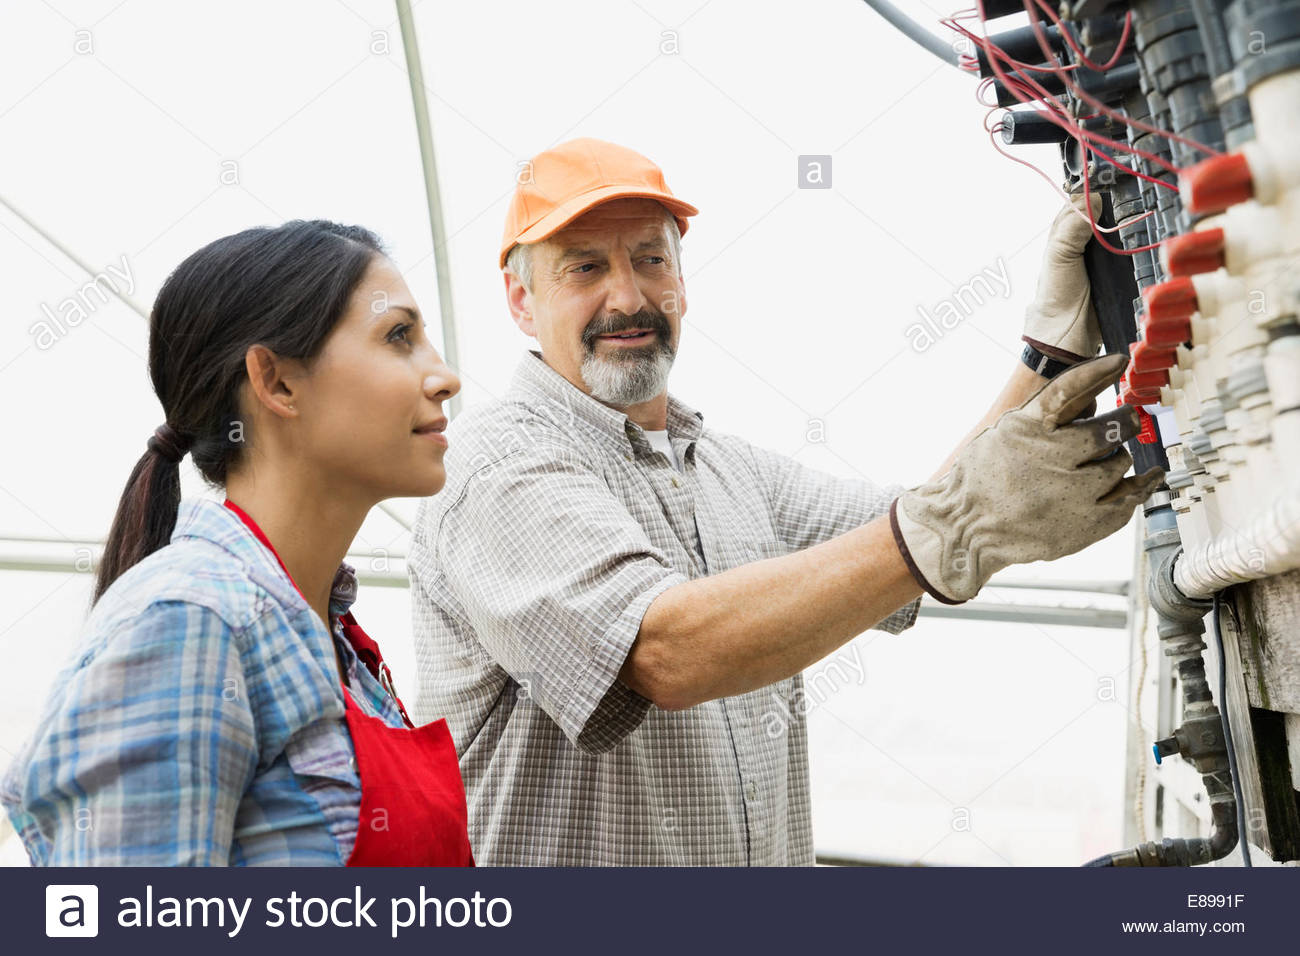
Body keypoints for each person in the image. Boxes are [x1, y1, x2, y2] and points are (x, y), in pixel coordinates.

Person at [407, 137, 1163, 866]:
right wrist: (950, 523)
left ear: (682, 282)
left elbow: (913, 525)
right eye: (584, 269)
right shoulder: (496, 463)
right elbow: (661, 650)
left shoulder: (726, 470)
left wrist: (1045, 356)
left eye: (650, 259)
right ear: (520, 301)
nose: (628, 297)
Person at [1, 220, 473, 866]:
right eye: (399, 337)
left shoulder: (337, 639)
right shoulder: (189, 619)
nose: (445, 377)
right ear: (276, 382)